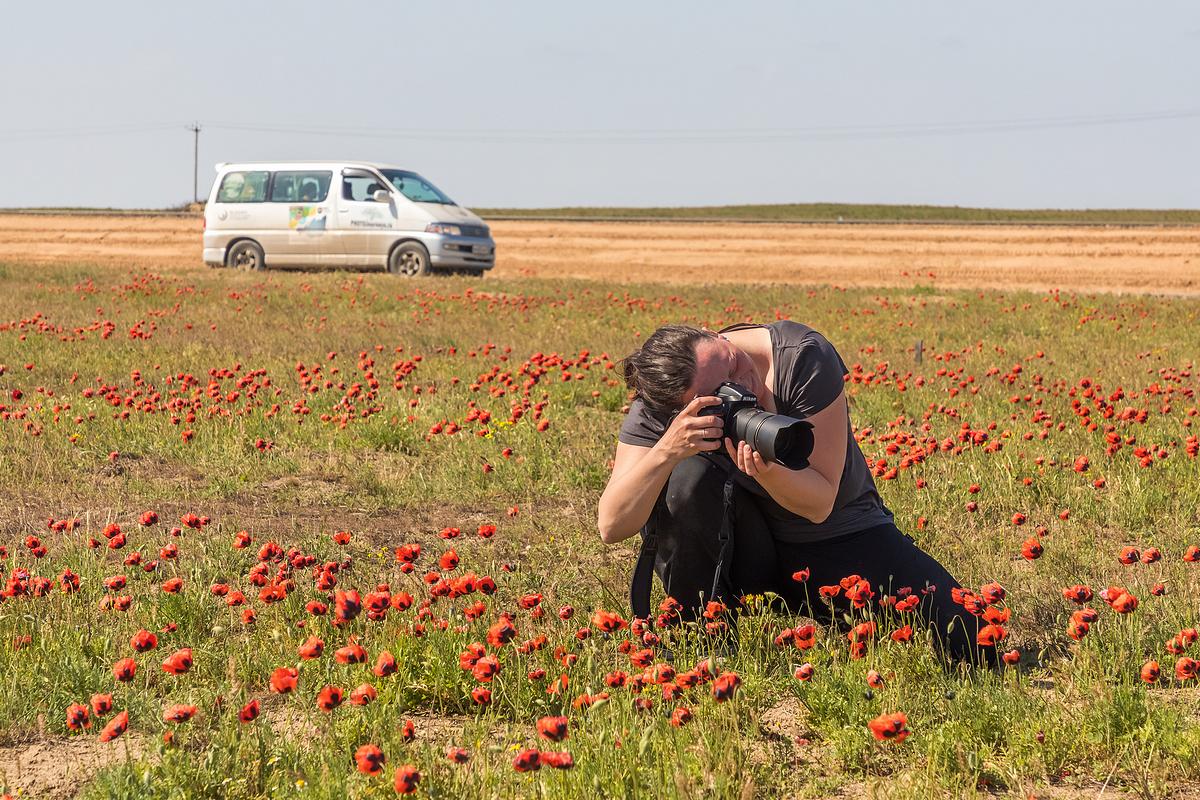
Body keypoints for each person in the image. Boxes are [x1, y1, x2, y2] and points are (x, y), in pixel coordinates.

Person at [597, 321, 985, 663]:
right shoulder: (664, 404)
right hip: (746, 550)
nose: (744, 385)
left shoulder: (801, 358)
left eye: (732, 362)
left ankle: (818, 609)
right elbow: (612, 525)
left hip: (836, 534)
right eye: (722, 392)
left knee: (971, 636)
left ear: (717, 335)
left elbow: (819, 504)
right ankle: (703, 632)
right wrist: (667, 449)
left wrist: (769, 473)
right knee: (687, 475)